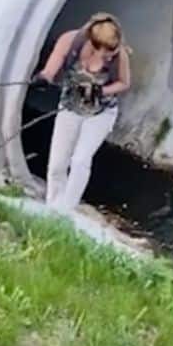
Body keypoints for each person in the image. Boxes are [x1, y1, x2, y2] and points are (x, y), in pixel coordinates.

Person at [33, 12, 132, 213]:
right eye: (102, 50)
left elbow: (124, 83)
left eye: (111, 51)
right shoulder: (70, 42)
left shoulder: (119, 55)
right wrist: (43, 78)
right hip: (70, 107)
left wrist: (101, 91)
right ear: (91, 40)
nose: (107, 56)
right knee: (57, 163)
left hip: (101, 113)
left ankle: (66, 210)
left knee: (80, 160)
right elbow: (51, 69)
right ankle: (52, 206)